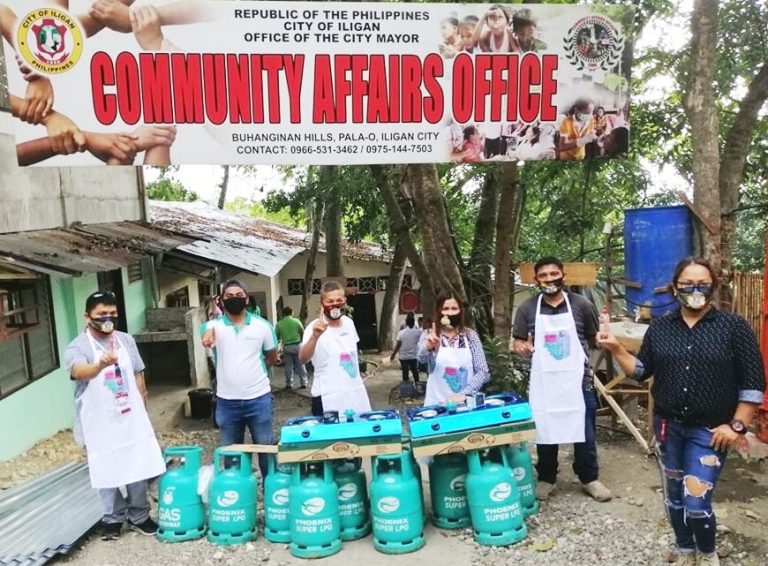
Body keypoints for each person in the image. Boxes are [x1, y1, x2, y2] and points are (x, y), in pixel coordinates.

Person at [597, 258, 765, 566]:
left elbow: (753, 383)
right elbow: (643, 370)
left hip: (711, 432)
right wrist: (616, 348)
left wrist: (737, 426)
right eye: (687, 284)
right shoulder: (661, 328)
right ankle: (685, 549)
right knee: (674, 498)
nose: (695, 290)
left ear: (713, 286)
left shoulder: (733, 328)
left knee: (696, 501)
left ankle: (707, 551)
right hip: (667, 428)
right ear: (675, 288)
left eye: (702, 283)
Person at [64, 290, 165, 541]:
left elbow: (138, 371)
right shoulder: (78, 346)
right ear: (88, 317)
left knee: (137, 463)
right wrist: (100, 365)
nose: (107, 318)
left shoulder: (125, 340)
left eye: (112, 313)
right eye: (101, 314)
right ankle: (113, 518)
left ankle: (140, 515)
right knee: (105, 467)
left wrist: (141, 401)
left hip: (130, 416)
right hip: (99, 421)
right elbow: (78, 371)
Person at [512, 257, 612, 502]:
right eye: (543, 276)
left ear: (563, 276)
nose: (549, 279)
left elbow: (592, 339)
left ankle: (589, 477)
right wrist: (522, 347)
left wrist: (606, 334)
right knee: (546, 428)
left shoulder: (582, 305)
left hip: (578, 380)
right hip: (545, 382)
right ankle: (547, 478)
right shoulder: (527, 308)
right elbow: (518, 342)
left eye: (553, 274)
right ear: (536, 280)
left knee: (585, 429)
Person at [201, 280, 278, 477]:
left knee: (266, 449)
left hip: (259, 399)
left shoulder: (262, 326)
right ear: (221, 301)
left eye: (238, 296)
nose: (234, 299)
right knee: (232, 454)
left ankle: (271, 490)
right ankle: (238, 495)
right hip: (227, 402)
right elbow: (206, 335)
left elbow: (271, 356)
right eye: (229, 297)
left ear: (246, 298)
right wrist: (208, 331)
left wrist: (255, 373)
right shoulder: (214, 327)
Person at [299, 281, 372, 417]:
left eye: (339, 300)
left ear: (344, 301)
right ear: (322, 303)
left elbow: (352, 354)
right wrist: (315, 337)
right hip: (327, 396)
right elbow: (303, 358)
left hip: (354, 392)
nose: (335, 304)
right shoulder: (314, 327)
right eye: (330, 301)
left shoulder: (349, 323)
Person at [417, 291, 490, 405]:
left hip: (465, 405)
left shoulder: (470, 336)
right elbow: (421, 360)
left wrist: (464, 394)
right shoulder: (429, 334)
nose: (450, 313)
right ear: (439, 311)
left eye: (454, 308)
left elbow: (482, 371)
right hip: (436, 405)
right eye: (445, 309)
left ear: (460, 310)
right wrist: (428, 347)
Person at [276, 306, 308, 390]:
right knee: (301, 365)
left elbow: (277, 337)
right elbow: (302, 332)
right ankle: (304, 382)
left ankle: (289, 384)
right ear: (292, 312)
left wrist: (278, 348)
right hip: (297, 345)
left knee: (288, 366)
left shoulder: (279, 324)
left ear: (283, 313)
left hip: (287, 347)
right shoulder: (296, 321)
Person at [390, 312, 422, 384]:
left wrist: (393, 354)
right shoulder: (418, 332)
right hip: (413, 356)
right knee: (415, 371)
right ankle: (417, 385)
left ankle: (406, 388)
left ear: (406, 323)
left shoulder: (401, 333)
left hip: (403, 357)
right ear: (414, 323)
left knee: (405, 372)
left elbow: (398, 345)